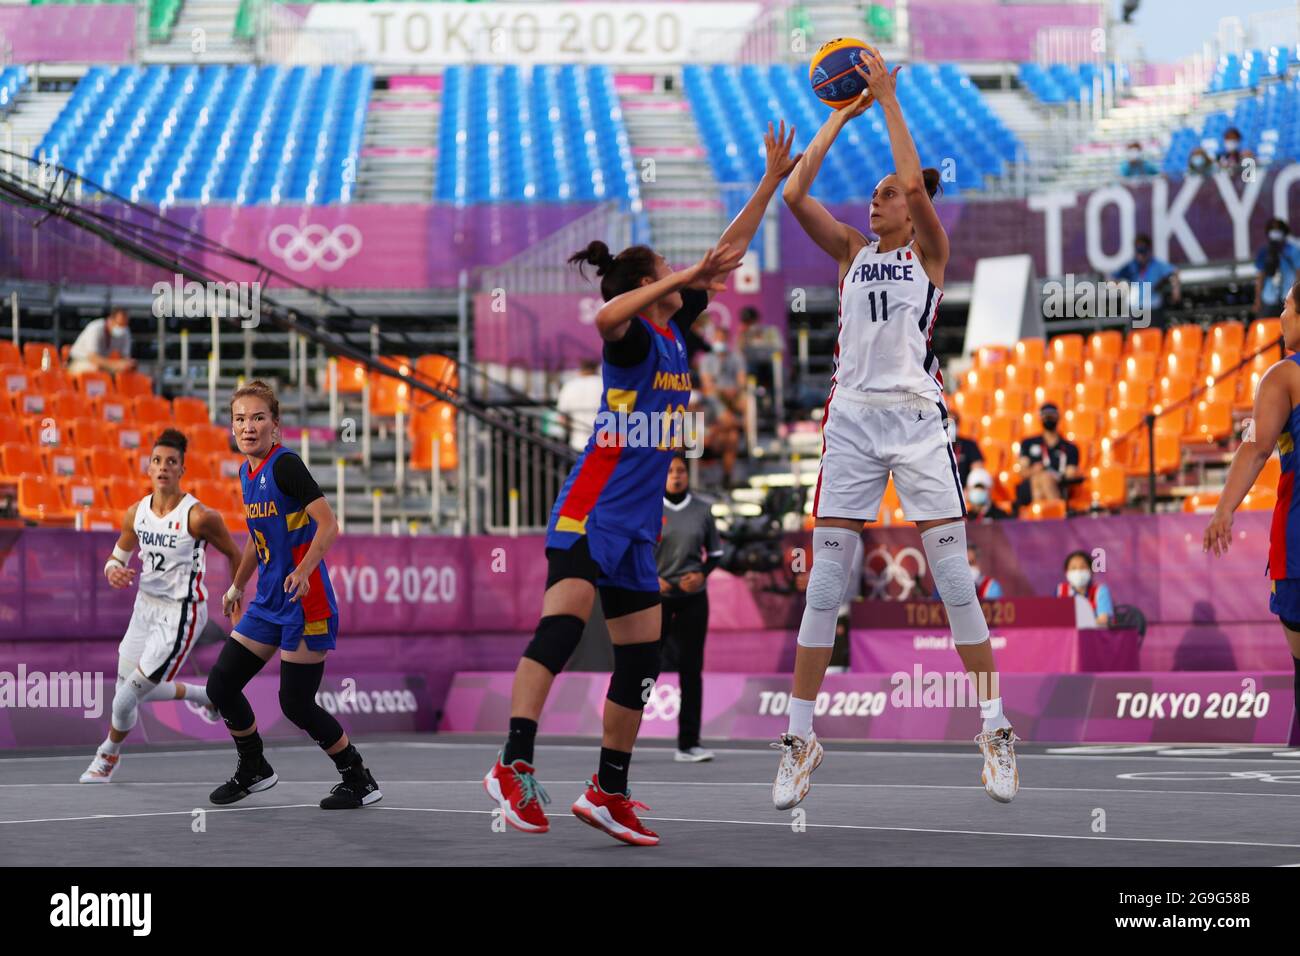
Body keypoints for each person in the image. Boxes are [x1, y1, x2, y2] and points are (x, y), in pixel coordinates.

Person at [481, 120, 801, 846]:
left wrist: (768, 184)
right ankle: (512, 765)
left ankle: (608, 791)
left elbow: (726, 256)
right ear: (648, 286)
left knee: (641, 660)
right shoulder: (629, 343)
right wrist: (677, 278)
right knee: (560, 630)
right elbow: (601, 313)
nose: (683, 275)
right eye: (665, 270)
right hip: (589, 512)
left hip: (636, 529)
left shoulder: (672, 331)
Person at [776, 49, 1018, 811]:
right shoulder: (851, 250)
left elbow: (915, 181)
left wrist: (886, 103)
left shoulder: (932, 255)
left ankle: (994, 726)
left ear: (910, 213)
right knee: (824, 584)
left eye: (885, 196)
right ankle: (799, 735)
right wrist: (838, 119)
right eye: (876, 196)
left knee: (952, 579)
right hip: (850, 419)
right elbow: (793, 194)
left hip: (916, 422)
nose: (876, 202)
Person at [207, 380, 381, 809]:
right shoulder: (248, 473)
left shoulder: (286, 466)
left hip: (306, 601)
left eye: (258, 418)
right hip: (268, 601)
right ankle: (255, 767)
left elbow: (329, 525)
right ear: (232, 429)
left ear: (276, 425)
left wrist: (304, 570)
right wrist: (236, 585)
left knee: (296, 703)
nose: (248, 427)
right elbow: (256, 537)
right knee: (222, 685)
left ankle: (358, 777)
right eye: (240, 419)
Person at [79, 429, 242, 783]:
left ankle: (107, 756)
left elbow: (234, 552)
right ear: (148, 468)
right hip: (144, 608)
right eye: (157, 461)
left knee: (123, 700)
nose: (163, 467)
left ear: (182, 469)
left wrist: (234, 594)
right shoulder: (136, 512)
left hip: (180, 614)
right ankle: (206, 695)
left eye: (171, 461)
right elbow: (115, 558)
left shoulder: (199, 516)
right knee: (128, 688)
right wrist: (113, 571)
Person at [1204, 280, 1300, 746]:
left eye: (1286, 307)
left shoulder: (1284, 375)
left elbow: (1257, 447)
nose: (1280, 317)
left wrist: (1224, 509)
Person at [656, 455, 724, 763]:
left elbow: (716, 553)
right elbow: (637, 549)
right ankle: (621, 740)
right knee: (641, 667)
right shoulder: (650, 508)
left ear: (688, 474)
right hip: (657, 596)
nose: (676, 476)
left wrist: (702, 574)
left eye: (681, 470)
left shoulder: (702, 509)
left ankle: (689, 743)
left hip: (693, 596)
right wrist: (651, 579)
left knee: (691, 669)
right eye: (670, 471)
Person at [1015, 403, 1080, 513]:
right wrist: (1035, 470)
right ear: (1040, 418)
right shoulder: (1028, 443)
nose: (1048, 418)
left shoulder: (1069, 448)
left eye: (1052, 415)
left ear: (1058, 417)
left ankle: (1040, 517)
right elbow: (1022, 472)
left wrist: (1051, 476)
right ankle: (1057, 514)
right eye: (1045, 415)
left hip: (1058, 486)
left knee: (1043, 478)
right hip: (1030, 488)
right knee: (1038, 478)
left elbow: (1070, 475)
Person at [1112, 233, 1180, 330]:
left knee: (1155, 336)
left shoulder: (1156, 265)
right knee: (1137, 339)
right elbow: (1112, 278)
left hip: (1153, 308)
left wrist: (1175, 290)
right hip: (1136, 309)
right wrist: (1122, 287)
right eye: (1138, 251)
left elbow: (1174, 272)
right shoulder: (1131, 266)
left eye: (1143, 251)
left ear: (1149, 250)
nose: (1141, 255)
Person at [1254, 219, 1300, 319]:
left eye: (1278, 230)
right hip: (1269, 297)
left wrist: (1296, 297)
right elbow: (1260, 277)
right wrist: (1258, 299)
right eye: (1272, 229)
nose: (1275, 233)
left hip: (1288, 297)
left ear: (1284, 232)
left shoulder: (1293, 250)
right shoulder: (1264, 252)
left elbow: (1298, 275)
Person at [555, 358, 604, 452]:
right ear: (596, 368)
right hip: (603, 443)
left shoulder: (569, 386)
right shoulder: (603, 385)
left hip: (578, 443)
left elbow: (562, 419)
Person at [68, 307, 135, 375]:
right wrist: (115, 365)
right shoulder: (95, 328)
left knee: (126, 371)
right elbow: (93, 357)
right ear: (110, 320)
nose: (122, 327)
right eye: (119, 324)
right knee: (94, 369)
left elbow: (125, 357)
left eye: (124, 324)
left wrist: (128, 364)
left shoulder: (125, 331)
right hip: (78, 361)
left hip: (103, 364)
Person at [1055, 550, 1113, 627]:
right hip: (1066, 637)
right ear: (1067, 572)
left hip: (1094, 636)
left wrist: (1080, 626)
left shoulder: (1100, 591)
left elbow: (1103, 619)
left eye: (1083, 567)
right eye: (1073, 568)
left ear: (1091, 570)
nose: (1078, 571)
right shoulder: (1060, 590)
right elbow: (1054, 618)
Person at [948, 409, 983, 489]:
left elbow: (978, 470)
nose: (950, 426)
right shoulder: (935, 447)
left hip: (964, 491)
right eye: (948, 423)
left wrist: (969, 489)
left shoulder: (969, 445)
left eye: (954, 423)